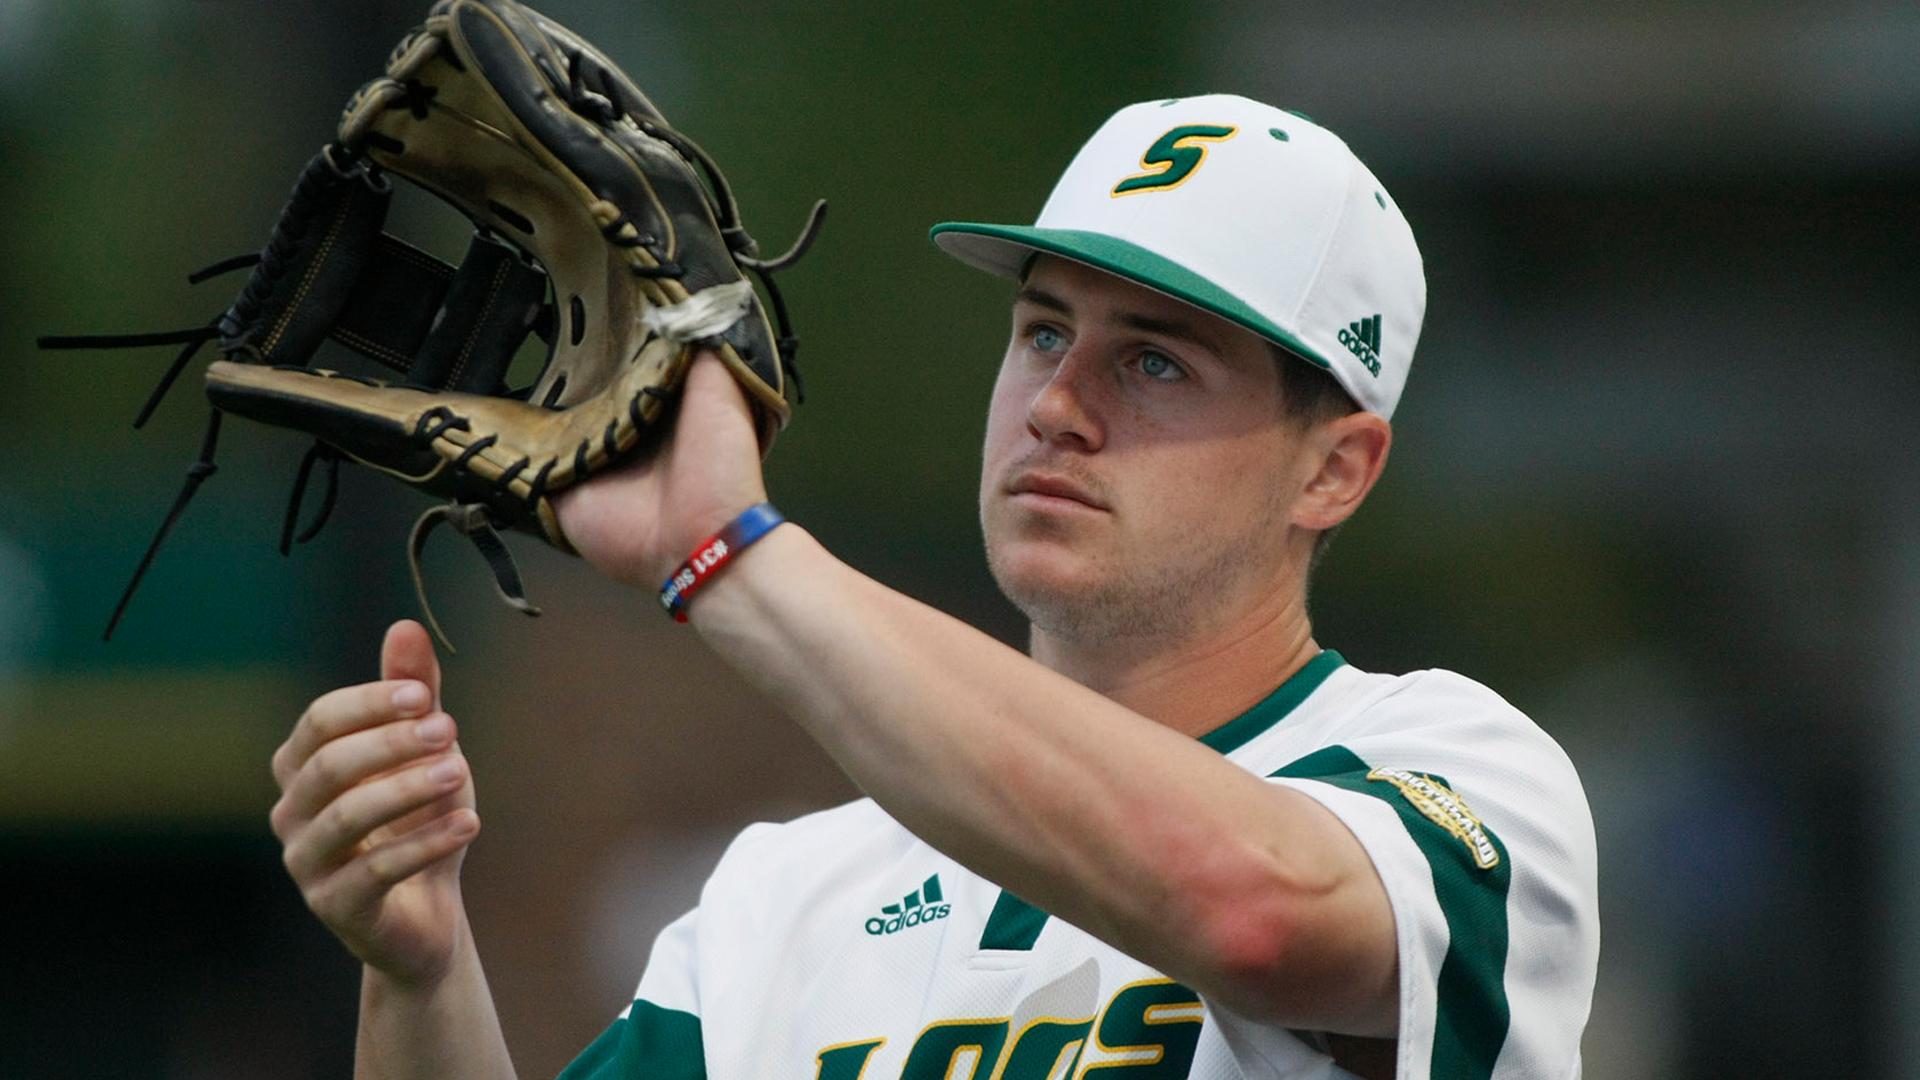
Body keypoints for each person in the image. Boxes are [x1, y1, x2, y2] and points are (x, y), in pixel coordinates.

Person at [268, 95, 1598, 1080]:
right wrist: (419, 977)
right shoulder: (787, 895)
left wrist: (726, 552)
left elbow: (1246, 912)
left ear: (1334, 470)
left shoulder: (1457, 769)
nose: (1059, 402)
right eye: (1043, 331)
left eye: (1156, 362)